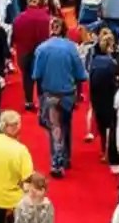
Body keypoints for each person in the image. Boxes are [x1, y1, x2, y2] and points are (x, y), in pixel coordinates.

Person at [33, 17, 88, 177]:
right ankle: (66, 157)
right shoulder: (72, 48)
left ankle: (56, 162)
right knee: (66, 124)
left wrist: (40, 98)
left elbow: (36, 75)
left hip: (50, 94)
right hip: (68, 94)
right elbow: (81, 75)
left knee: (55, 127)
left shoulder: (41, 49)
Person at [12, 0, 54, 111]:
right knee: (42, 77)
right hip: (42, 55)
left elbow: (14, 38)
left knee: (27, 76)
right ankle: (42, 101)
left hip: (24, 54)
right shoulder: (47, 19)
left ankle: (29, 101)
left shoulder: (19, 19)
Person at [87, 28, 119, 163]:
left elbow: (90, 80)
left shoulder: (95, 60)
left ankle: (104, 149)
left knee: (102, 127)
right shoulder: (112, 63)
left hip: (97, 98)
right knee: (111, 126)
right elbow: (117, 79)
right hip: (109, 97)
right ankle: (108, 152)